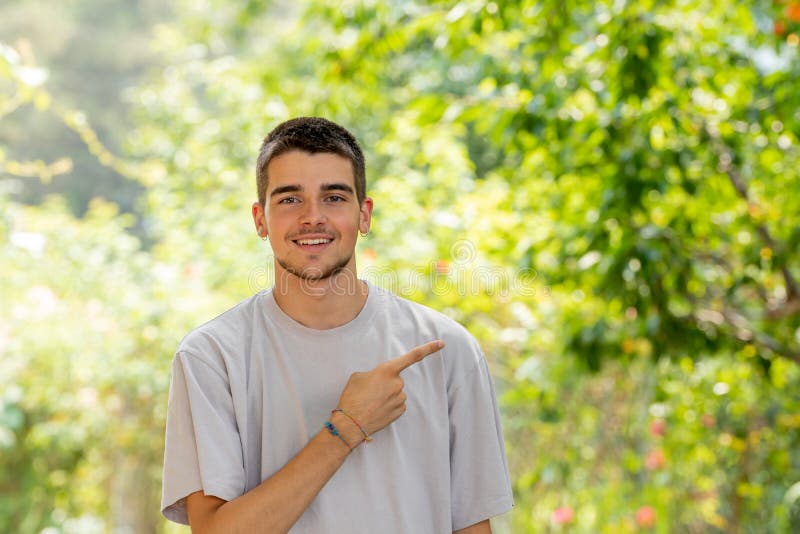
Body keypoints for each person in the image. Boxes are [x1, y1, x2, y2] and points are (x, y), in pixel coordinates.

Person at [161, 117, 513, 533]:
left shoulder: (447, 350)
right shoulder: (211, 357)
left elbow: (473, 526)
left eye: (334, 197)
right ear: (260, 220)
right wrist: (345, 428)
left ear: (364, 215)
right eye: (290, 200)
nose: (313, 217)